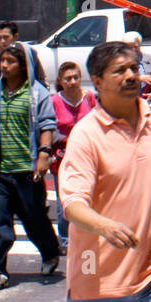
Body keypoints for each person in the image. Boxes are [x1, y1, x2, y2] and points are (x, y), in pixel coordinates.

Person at [59, 42, 151, 302]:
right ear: (97, 81)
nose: (130, 76)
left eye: (134, 68)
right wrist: (105, 226)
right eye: (119, 71)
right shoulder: (85, 135)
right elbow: (73, 206)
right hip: (98, 282)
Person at [0, 44, 61, 294]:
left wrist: (44, 155)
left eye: (10, 61)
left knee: (34, 219)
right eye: (2, 61)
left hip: (27, 170)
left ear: (24, 66)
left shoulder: (37, 93)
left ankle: (50, 252)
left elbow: (47, 125)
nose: (4, 66)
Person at [50, 62, 97, 254]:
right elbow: (48, 129)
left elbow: (97, 121)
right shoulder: (54, 101)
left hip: (87, 156)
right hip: (63, 157)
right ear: (60, 81)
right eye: (67, 79)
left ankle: (87, 233)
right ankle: (65, 238)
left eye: (75, 77)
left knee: (89, 195)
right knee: (65, 199)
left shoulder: (89, 97)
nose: (72, 82)